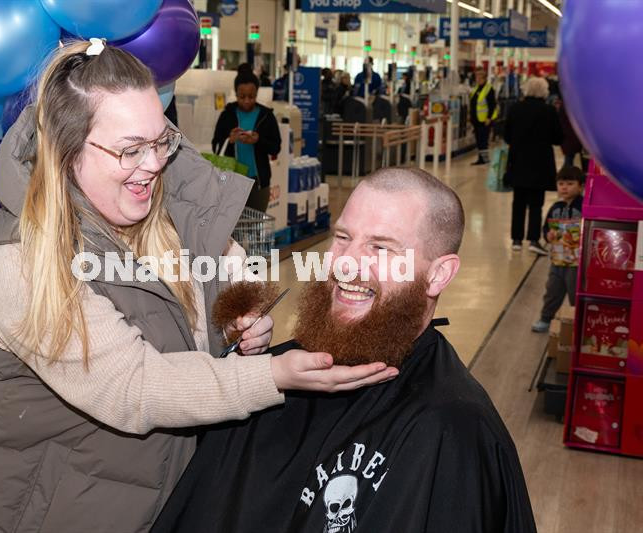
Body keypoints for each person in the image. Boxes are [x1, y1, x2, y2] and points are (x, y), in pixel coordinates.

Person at [0, 42, 394, 533]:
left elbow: (233, 269)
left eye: (161, 142)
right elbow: (135, 387)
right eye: (131, 149)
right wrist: (272, 376)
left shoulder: (153, 214)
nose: (154, 164)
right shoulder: (21, 266)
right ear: (65, 153)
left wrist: (242, 315)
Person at [153, 168, 536, 533]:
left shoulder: (453, 429)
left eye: (380, 247)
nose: (347, 263)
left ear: (439, 274)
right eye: (342, 237)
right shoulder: (278, 370)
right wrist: (240, 368)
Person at [504, 76, 563, 254]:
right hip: (540, 163)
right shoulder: (549, 111)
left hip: (518, 161)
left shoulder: (515, 109)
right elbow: (557, 138)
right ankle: (533, 240)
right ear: (544, 91)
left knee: (518, 202)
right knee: (536, 203)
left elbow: (507, 137)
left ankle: (516, 239)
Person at [212, 70, 282, 212]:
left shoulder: (266, 116)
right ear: (236, 94)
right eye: (242, 96)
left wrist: (258, 140)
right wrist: (229, 139)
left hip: (258, 182)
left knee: (254, 227)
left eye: (251, 96)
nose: (246, 100)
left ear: (257, 94)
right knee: (231, 229)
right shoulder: (227, 115)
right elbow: (216, 146)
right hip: (231, 181)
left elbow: (275, 147)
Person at [532, 166, 584, 333]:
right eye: (561, 183)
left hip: (576, 262)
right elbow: (546, 228)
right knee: (553, 290)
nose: (564, 187)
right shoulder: (555, 207)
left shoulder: (584, 206)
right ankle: (546, 318)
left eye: (570, 183)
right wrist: (548, 236)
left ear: (581, 186)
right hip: (557, 259)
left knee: (574, 291)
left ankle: (577, 321)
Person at [469, 68, 498, 165]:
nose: (476, 79)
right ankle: (481, 158)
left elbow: (492, 104)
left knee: (483, 139)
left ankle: (485, 159)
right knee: (479, 139)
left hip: (484, 120)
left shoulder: (488, 89)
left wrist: (489, 117)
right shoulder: (476, 88)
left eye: (478, 77)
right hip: (476, 119)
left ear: (484, 78)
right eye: (476, 77)